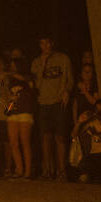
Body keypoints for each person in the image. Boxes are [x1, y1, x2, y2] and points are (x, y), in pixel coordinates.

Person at [30, 36, 73, 181]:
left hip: (58, 101)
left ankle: (62, 171)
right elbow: (37, 85)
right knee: (45, 137)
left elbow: (69, 78)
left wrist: (67, 90)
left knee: (60, 136)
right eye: (42, 43)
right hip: (43, 103)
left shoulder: (63, 58)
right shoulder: (36, 62)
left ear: (52, 43)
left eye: (47, 42)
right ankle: (48, 170)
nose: (45, 46)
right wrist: (42, 65)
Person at [4, 59, 37, 180]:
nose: (12, 68)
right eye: (11, 66)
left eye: (14, 66)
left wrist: (10, 74)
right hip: (13, 112)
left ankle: (27, 172)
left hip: (25, 112)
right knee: (13, 143)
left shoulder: (28, 78)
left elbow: (30, 85)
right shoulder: (10, 80)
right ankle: (19, 170)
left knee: (25, 142)